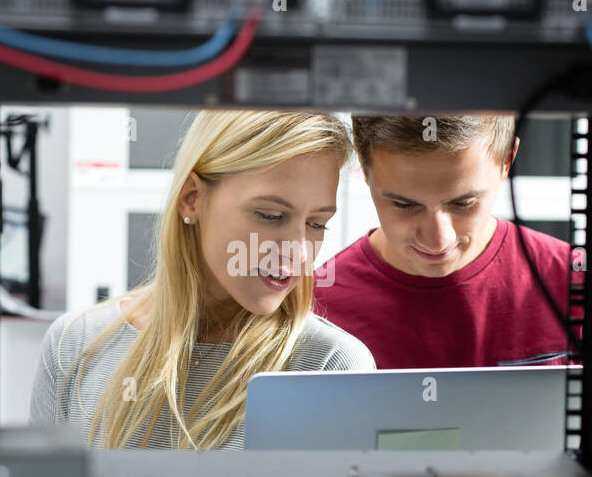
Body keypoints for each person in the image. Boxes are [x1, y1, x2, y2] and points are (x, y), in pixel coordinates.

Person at [30, 110, 375, 449]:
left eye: (317, 224)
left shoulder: (332, 367)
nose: (297, 253)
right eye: (270, 215)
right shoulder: (74, 345)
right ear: (191, 198)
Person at [312, 114, 573, 369]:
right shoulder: (314, 309)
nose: (438, 241)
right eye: (404, 205)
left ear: (507, 161)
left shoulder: (578, 283)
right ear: (364, 170)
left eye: (464, 203)